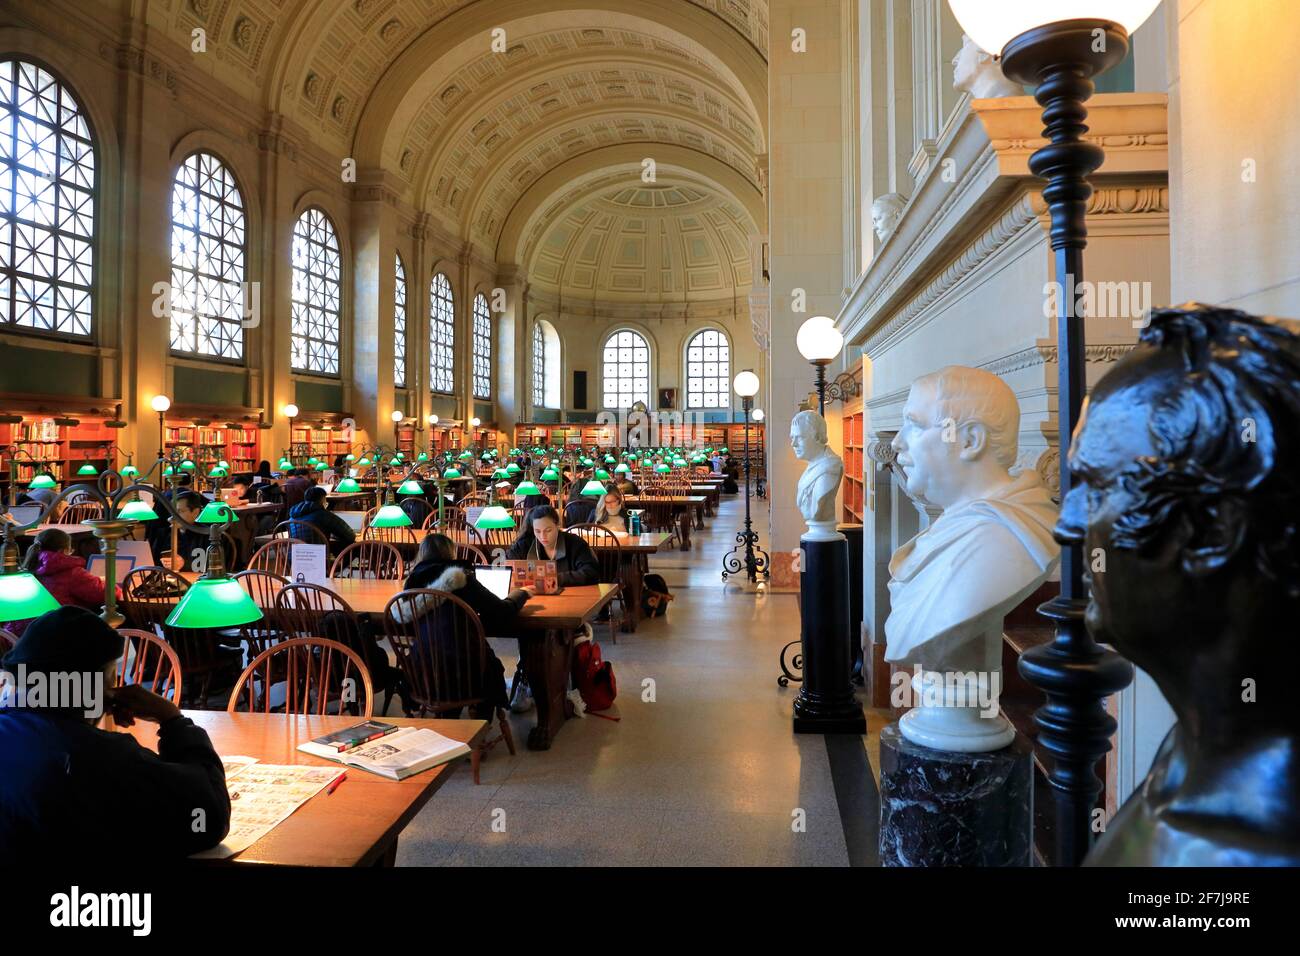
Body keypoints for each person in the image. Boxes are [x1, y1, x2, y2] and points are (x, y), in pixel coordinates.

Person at [0, 606, 230, 859]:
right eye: (111, 677)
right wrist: (173, 721)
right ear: (97, 687)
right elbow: (208, 817)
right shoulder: (101, 757)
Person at [388, 534, 534, 718]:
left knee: (441, 654)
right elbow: (501, 611)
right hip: (466, 668)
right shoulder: (460, 579)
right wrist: (520, 594)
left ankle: (449, 716)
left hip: (424, 669)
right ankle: (481, 720)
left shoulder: (411, 584)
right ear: (451, 553)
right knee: (489, 665)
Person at [1, 528, 117, 638]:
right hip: (53, 638)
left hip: (13, 636)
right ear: (63, 551)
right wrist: (108, 582)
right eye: (70, 550)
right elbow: (107, 594)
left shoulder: (26, 568)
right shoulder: (72, 572)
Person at [506, 506, 600, 587]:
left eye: (548, 530)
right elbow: (506, 569)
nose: (543, 536)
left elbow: (591, 573)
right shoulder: (524, 545)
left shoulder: (575, 543)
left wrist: (553, 578)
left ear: (558, 525)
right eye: (538, 531)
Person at [287, 486, 356, 550]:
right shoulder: (324, 515)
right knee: (353, 546)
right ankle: (338, 563)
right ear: (322, 500)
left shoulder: (292, 517)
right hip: (318, 556)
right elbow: (350, 536)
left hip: (294, 556)